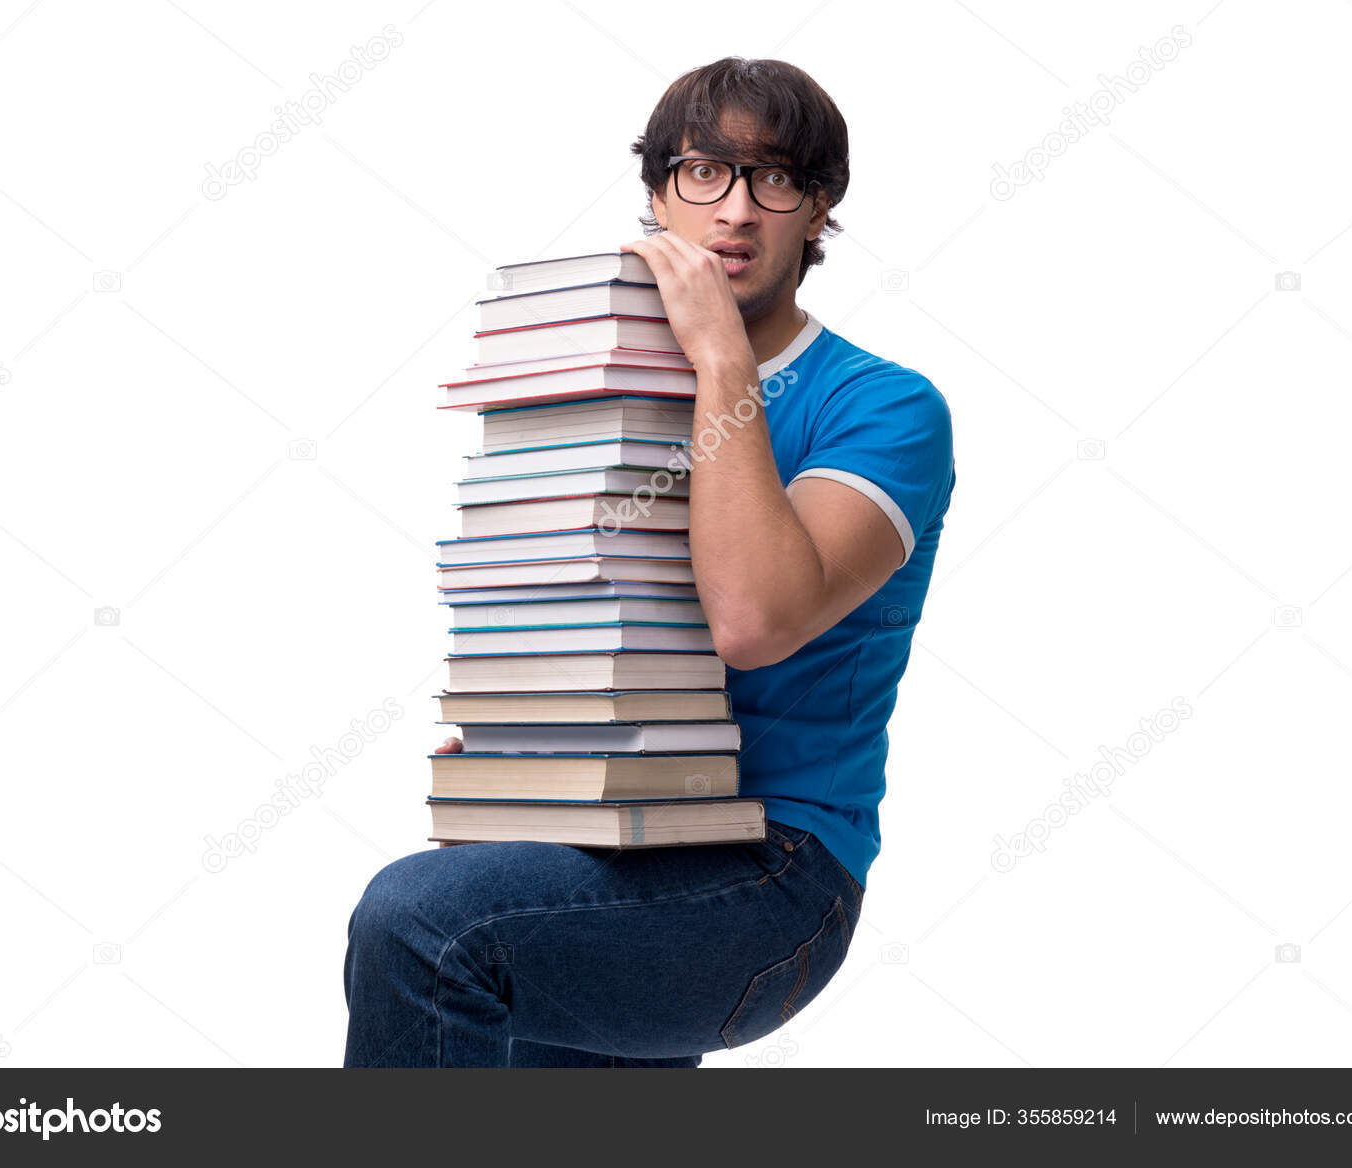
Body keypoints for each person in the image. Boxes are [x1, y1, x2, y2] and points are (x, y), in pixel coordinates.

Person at [343, 55, 955, 1068]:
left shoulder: (886, 407)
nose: (736, 210)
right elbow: (569, 605)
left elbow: (753, 621)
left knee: (424, 923)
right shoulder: (607, 382)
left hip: (776, 871)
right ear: (659, 193)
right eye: (704, 172)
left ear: (819, 206)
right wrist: (523, 759)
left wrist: (720, 357)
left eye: (775, 179)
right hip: (607, 833)